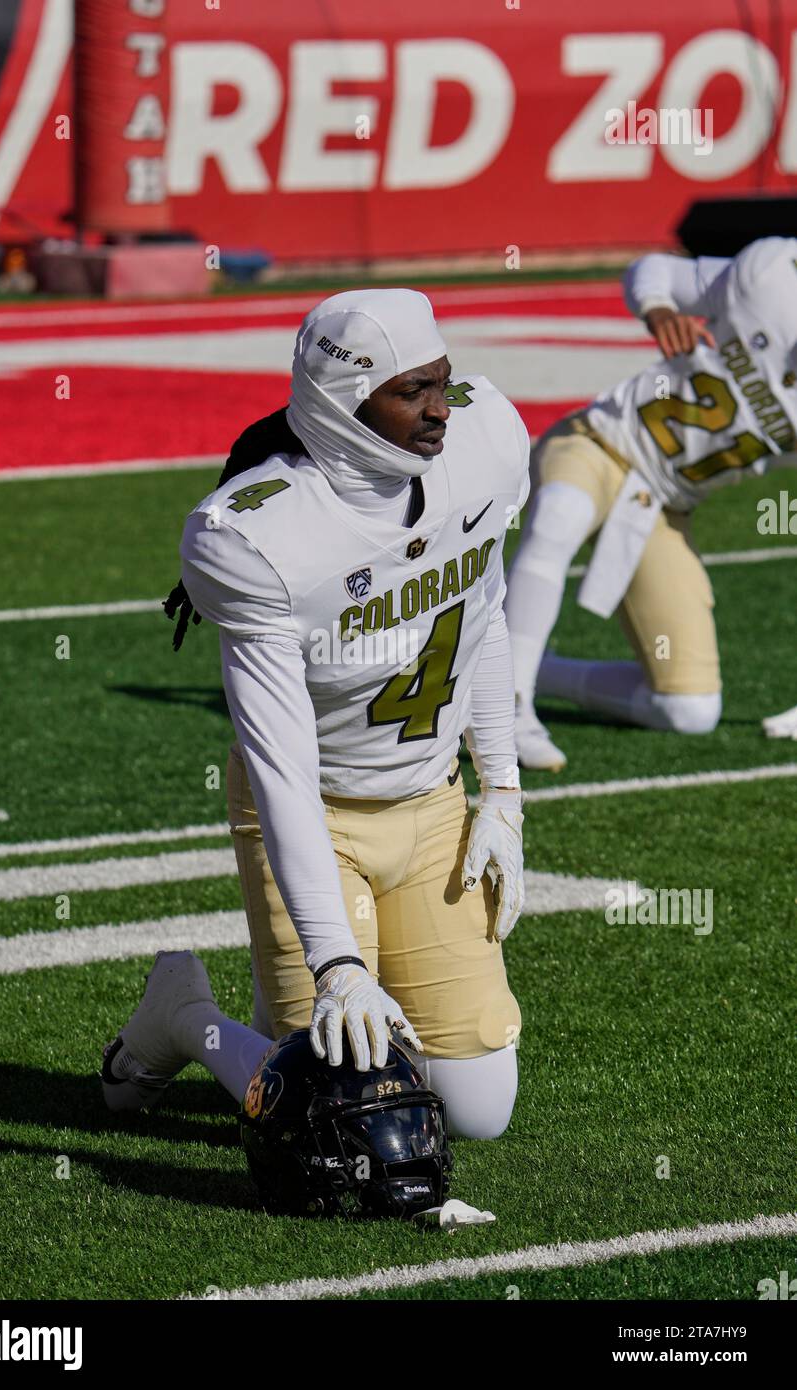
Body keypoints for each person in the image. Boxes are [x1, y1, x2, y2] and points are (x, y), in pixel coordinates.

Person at [102, 288, 530, 1141]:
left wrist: (504, 791)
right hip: (316, 810)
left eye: (443, 382)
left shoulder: (485, 443)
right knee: (339, 1108)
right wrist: (337, 965)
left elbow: (483, 611)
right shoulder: (259, 535)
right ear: (343, 400)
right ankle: (184, 1016)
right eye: (413, 391)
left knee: (478, 1113)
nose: (441, 409)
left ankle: (272, 1006)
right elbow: (281, 766)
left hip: (433, 798)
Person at [504, 237, 797, 771]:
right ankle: (508, 706)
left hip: (658, 504)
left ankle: (525, 669)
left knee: (688, 708)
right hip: (601, 442)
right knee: (560, 516)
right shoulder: (772, 277)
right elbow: (651, 268)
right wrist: (659, 309)